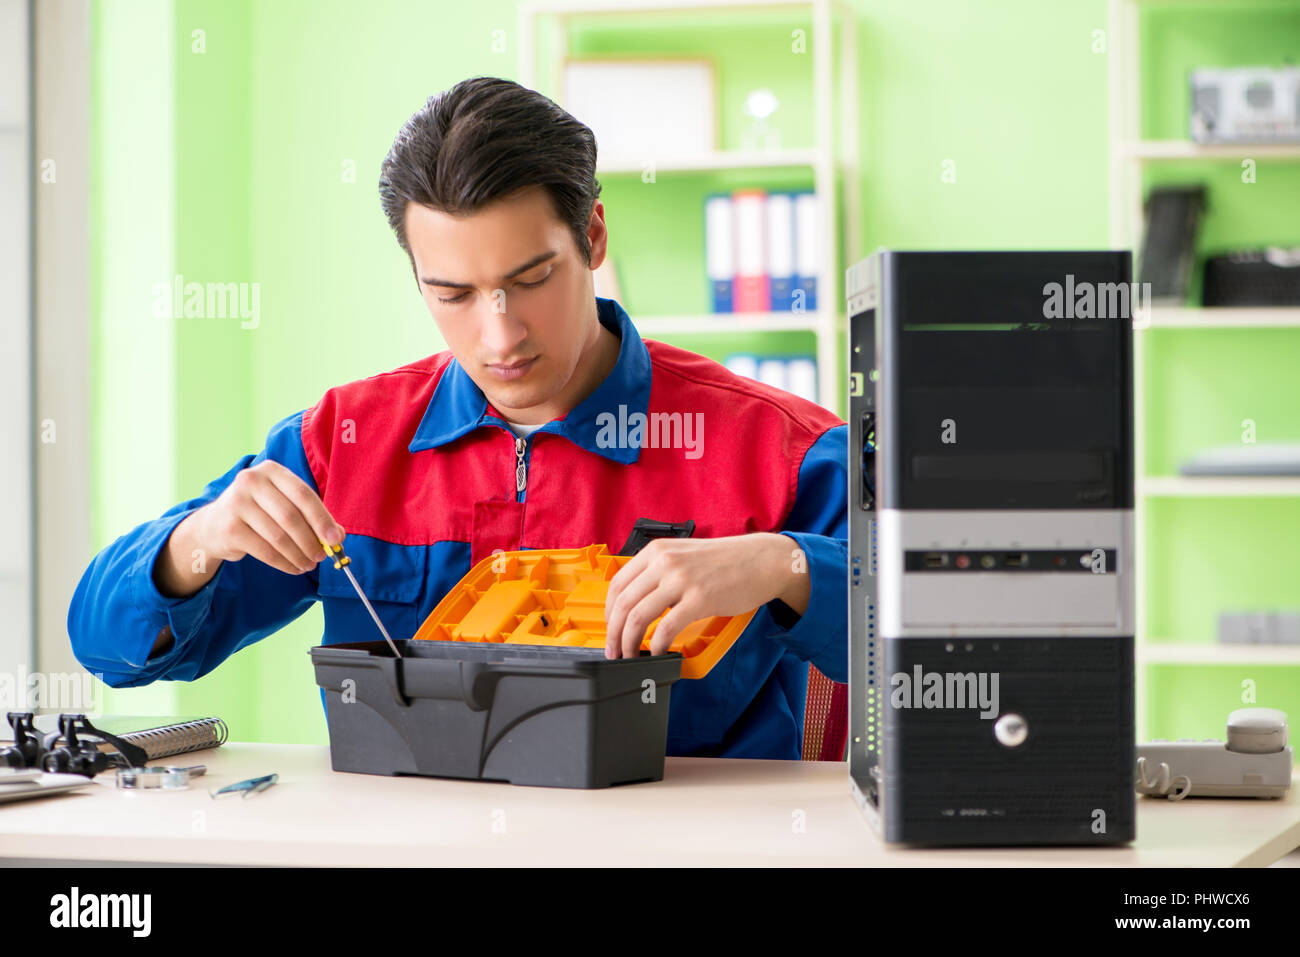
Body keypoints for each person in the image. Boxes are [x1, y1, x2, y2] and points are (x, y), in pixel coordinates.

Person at [68, 76, 848, 760]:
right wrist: (195, 540)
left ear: (594, 237)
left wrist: (787, 565)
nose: (500, 334)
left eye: (531, 278)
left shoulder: (776, 445)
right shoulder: (344, 444)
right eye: (454, 294)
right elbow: (105, 647)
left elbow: (952, 648)